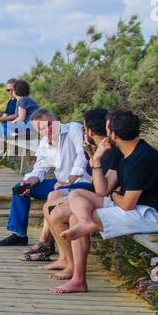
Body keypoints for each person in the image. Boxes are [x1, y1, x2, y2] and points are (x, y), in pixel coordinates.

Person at [54, 109, 158, 295]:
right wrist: (96, 159)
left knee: (73, 220)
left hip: (156, 216)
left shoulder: (142, 158)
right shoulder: (124, 152)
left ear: (113, 134)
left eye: (107, 130)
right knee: (77, 194)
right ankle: (85, 222)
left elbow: (127, 204)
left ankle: (78, 280)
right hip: (137, 207)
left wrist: (114, 196)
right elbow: (102, 190)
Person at [36, 108, 110, 278]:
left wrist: (71, 181)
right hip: (93, 190)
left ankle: (70, 264)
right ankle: (64, 258)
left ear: (89, 131)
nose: (82, 131)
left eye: (84, 129)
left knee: (61, 209)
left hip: (91, 189)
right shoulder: (96, 148)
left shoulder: (106, 150)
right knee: (53, 199)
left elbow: (102, 189)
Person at [0, 105, 78, 247]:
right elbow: (39, 169)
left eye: (50, 125)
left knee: (56, 192)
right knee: (20, 188)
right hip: (60, 182)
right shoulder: (45, 143)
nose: (48, 130)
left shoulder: (73, 129)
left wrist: (70, 180)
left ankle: (45, 244)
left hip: (79, 182)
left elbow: (82, 157)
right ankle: (19, 234)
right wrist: (29, 181)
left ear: (56, 119)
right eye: (42, 129)